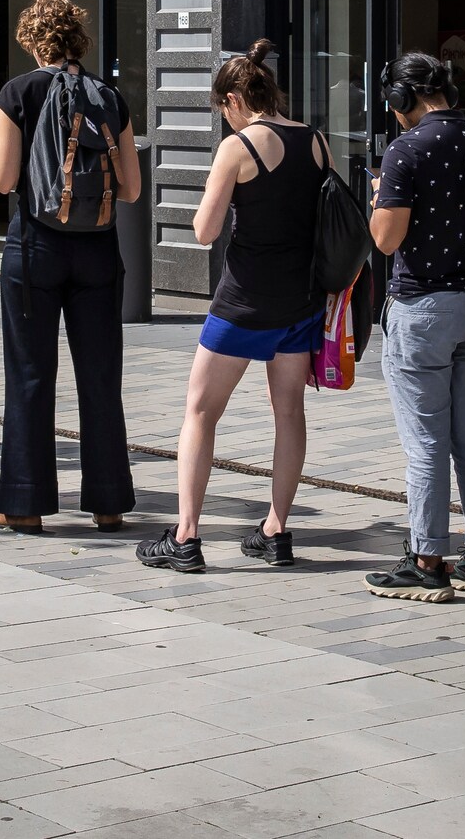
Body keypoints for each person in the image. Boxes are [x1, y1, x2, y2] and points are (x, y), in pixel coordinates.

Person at [137, 41, 322, 571]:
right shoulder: (314, 141)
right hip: (299, 300)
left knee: (200, 411)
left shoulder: (238, 147)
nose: (225, 120)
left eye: (224, 109)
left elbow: (204, 230)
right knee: (289, 412)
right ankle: (276, 531)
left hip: (243, 302)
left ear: (235, 99)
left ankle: (187, 537)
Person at [364, 51, 465, 603]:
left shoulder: (405, 150)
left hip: (423, 306)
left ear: (401, 98)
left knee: (426, 441)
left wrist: (380, 197)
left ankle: (427, 561)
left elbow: (386, 240)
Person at [0, 0, 141, 533]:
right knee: (100, 377)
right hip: (98, 250)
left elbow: (3, 180)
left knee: (30, 374)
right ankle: (108, 502)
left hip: (35, 249)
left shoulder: (18, 92)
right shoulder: (109, 96)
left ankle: (24, 504)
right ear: (79, 40)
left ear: (33, 42)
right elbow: (131, 189)